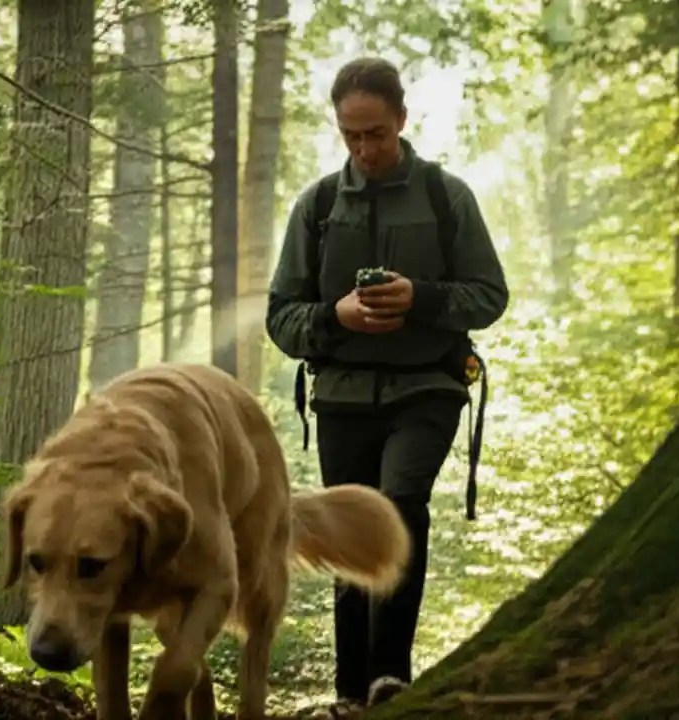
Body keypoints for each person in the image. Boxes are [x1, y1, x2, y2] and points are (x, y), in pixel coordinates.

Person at [264, 57, 509, 717]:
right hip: (341, 395)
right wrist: (332, 316)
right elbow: (280, 317)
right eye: (352, 136)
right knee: (348, 533)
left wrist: (421, 299)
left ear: (401, 120)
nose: (365, 148)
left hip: (428, 386)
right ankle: (349, 692)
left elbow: (489, 296)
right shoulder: (316, 206)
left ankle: (389, 680)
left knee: (399, 504)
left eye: (376, 132)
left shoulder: (444, 195)